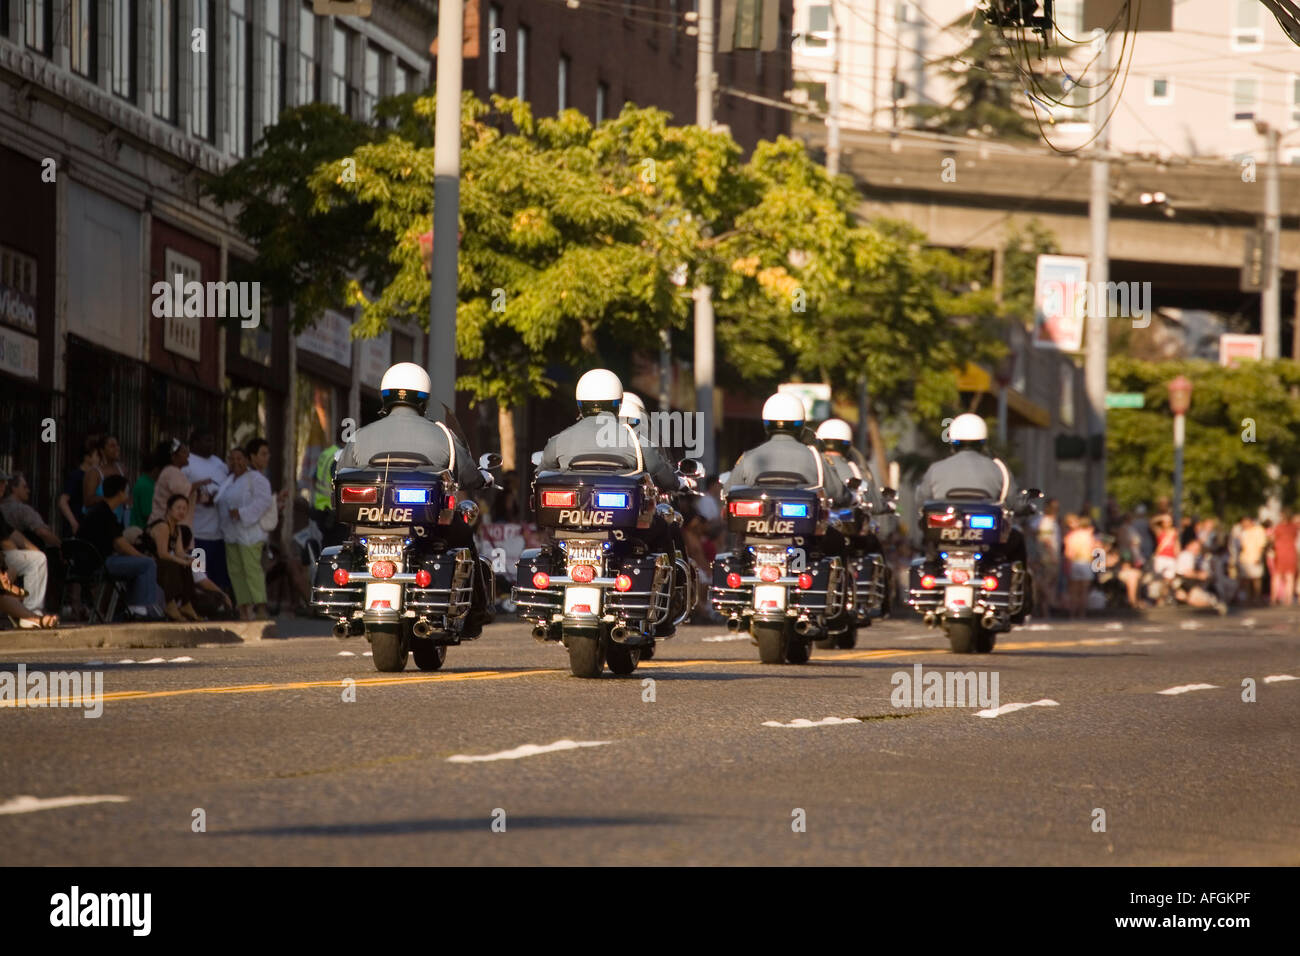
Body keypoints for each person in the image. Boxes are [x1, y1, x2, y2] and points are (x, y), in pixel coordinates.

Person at [338, 362, 492, 634]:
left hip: (368, 525)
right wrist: (483, 479)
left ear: (386, 395)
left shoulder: (360, 436)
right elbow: (469, 476)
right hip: (427, 526)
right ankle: (477, 611)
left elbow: (341, 474)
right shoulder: (443, 435)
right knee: (464, 536)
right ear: (423, 399)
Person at [913, 412, 1026, 565]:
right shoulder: (999, 468)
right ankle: (1015, 586)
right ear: (983, 443)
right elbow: (1013, 502)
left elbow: (921, 500)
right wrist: (1025, 507)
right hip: (988, 546)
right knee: (1017, 538)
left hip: (942, 540)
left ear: (953, 442)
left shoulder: (936, 468)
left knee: (925, 546)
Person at [540, 371, 679, 492]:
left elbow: (541, 474)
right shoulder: (638, 442)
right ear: (619, 402)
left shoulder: (558, 441)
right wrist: (678, 482)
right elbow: (664, 477)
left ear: (580, 403)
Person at [77, 473, 163, 619]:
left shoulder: (98, 510)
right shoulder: (105, 514)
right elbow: (121, 544)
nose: (128, 493)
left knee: (139, 565)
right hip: (99, 563)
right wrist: (141, 556)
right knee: (148, 564)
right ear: (120, 492)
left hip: (91, 561)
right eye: (126, 490)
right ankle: (139, 609)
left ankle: (137, 606)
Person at [219, 441, 275, 621]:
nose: (236, 462)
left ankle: (260, 607)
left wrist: (241, 513)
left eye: (239, 458)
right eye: (232, 459)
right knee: (235, 571)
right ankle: (243, 607)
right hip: (231, 533)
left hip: (250, 533)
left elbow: (263, 502)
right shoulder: (228, 481)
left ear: (246, 460)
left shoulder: (256, 479)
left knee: (252, 570)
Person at [183, 426, 232, 596]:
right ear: (195, 442)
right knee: (198, 575)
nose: (212, 444)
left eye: (213, 440)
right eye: (207, 440)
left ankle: (218, 606)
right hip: (197, 534)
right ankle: (198, 607)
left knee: (218, 577)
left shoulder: (219, 463)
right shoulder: (187, 463)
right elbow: (182, 491)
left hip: (218, 534)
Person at [148, 494, 202, 621]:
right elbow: (162, 554)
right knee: (172, 565)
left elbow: (179, 552)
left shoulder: (177, 528)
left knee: (185, 565)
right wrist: (182, 561)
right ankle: (170, 603)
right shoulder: (163, 526)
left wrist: (190, 559)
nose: (182, 511)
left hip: (161, 562)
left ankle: (186, 603)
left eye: (184, 509)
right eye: (178, 508)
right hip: (149, 561)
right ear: (169, 509)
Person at [58, 435, 101, 536]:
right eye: (97, 455)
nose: (99, 459)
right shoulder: (76, 475)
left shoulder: (95, 476)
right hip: (77, 526)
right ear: (87, 457)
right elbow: (62, 501)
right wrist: (74, 523)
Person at [149, 438, 197, 526]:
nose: (188, 455)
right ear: (173, 456)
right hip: (166, 528)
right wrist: (201, 483)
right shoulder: (171, 472)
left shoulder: (174, 472)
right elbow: (184, 492)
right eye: (183, 452)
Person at [82, 435, 128, 524]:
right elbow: (88, 501)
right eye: (112, 446)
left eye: (117, 445)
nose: (117, 448)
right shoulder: (94, 473)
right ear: (102, 450)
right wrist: (113, 499)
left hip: (118, 521)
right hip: (98, 523)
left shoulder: (122, 470)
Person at [1175, 538, 1226, 613]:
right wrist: (1200, 575)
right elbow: (1188, 573)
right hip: (1185, 583)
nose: (1196, 550)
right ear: (1188, 546)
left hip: (1186, 584)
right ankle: (1213, 603)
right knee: (1197, 598)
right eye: (1195, 548)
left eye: (1198, 549)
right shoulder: (1187, 555)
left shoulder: (1194, 557)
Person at [1062, 515, 1096, 619]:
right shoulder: (1089, 536)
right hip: (1086, 563)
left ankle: (1072, 614)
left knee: (1073, 591)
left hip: (1075, 563)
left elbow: (1068, 553)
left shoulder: (1072, 536)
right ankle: (1082, 614)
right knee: (1084, 591)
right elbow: (1094, 551)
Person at [131, 440, 168, 529]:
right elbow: (148, 513)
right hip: (143, 530)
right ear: (156, 470)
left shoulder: (145, 481)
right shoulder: (146, 485)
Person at [1235, 515, 1268, 606]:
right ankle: (1248, 598)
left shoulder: (1258, 530)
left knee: (1256, 578)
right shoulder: (1242, 531)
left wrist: (1258, 556)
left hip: (1254, 557)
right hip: (1244, 558)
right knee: (1246, 579)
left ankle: (1257, 597)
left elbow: (1262, 544)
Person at [1270, 509, 1298, 606]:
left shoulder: (1278, 527)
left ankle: (1273, 598)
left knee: (1277, 576)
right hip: (1291, 553)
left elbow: (1273, 539)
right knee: (1289, 577)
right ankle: (1288, 599)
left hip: (1280, 552)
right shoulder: (1294, 527)